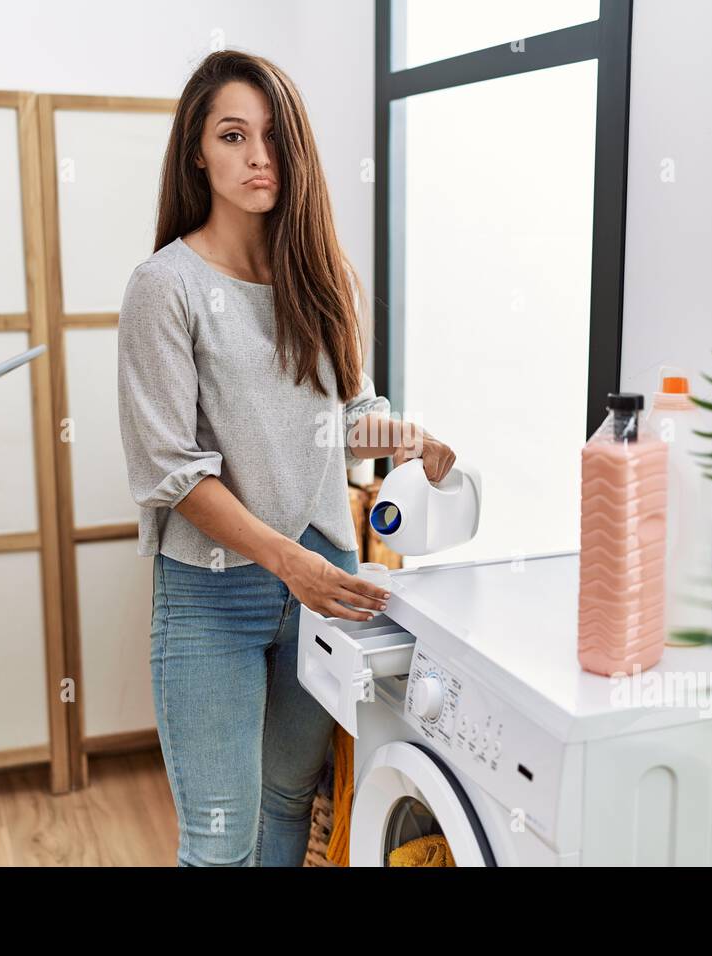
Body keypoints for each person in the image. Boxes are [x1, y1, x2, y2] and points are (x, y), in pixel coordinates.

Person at [116, 49, 455, 867]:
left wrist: (407, 436)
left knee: (284, 810)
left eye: (272, 136)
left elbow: (345, 418)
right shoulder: (166, 287)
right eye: (233, 135)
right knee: (220, 839)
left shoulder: (322, 274)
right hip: (212, 595)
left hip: (323, 583)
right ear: (198, 151)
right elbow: (173, 470)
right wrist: (286, 563)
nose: (257, 155)